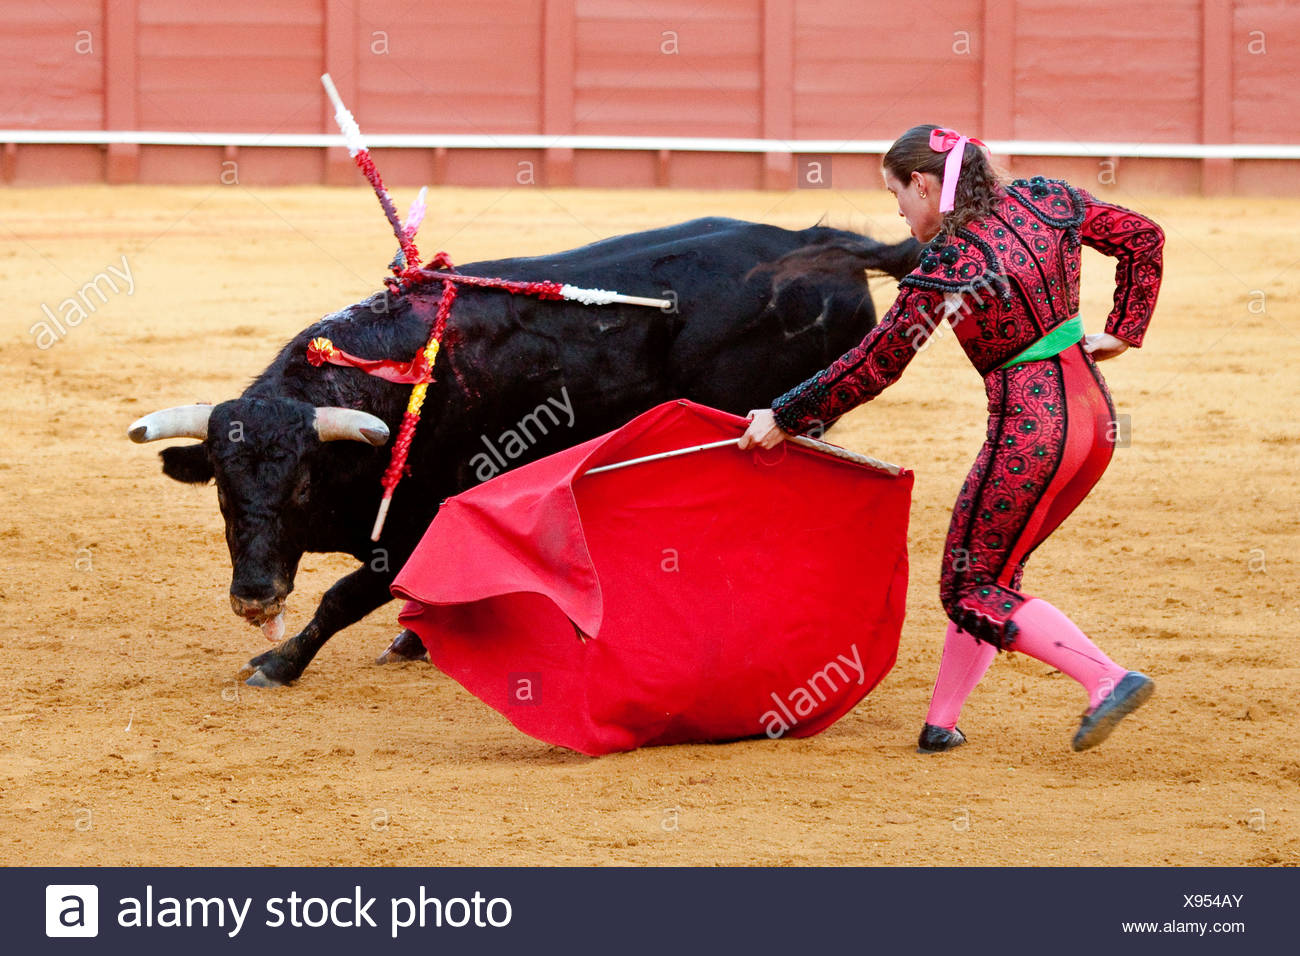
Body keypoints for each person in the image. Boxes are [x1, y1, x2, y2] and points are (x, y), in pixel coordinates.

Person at [739, 125, 1164, 753]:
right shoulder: (1045, 198)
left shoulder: (951, 260)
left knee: (970, 586)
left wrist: (786, 414)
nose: (899, 212)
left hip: (1035, 428)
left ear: (922, 182)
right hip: (1094, 419)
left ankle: (1107, 678)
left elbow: (875, 362)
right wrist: (1124, 328)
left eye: (897, 196)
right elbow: (1143, 237)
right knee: (995, 569)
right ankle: (941, 722)